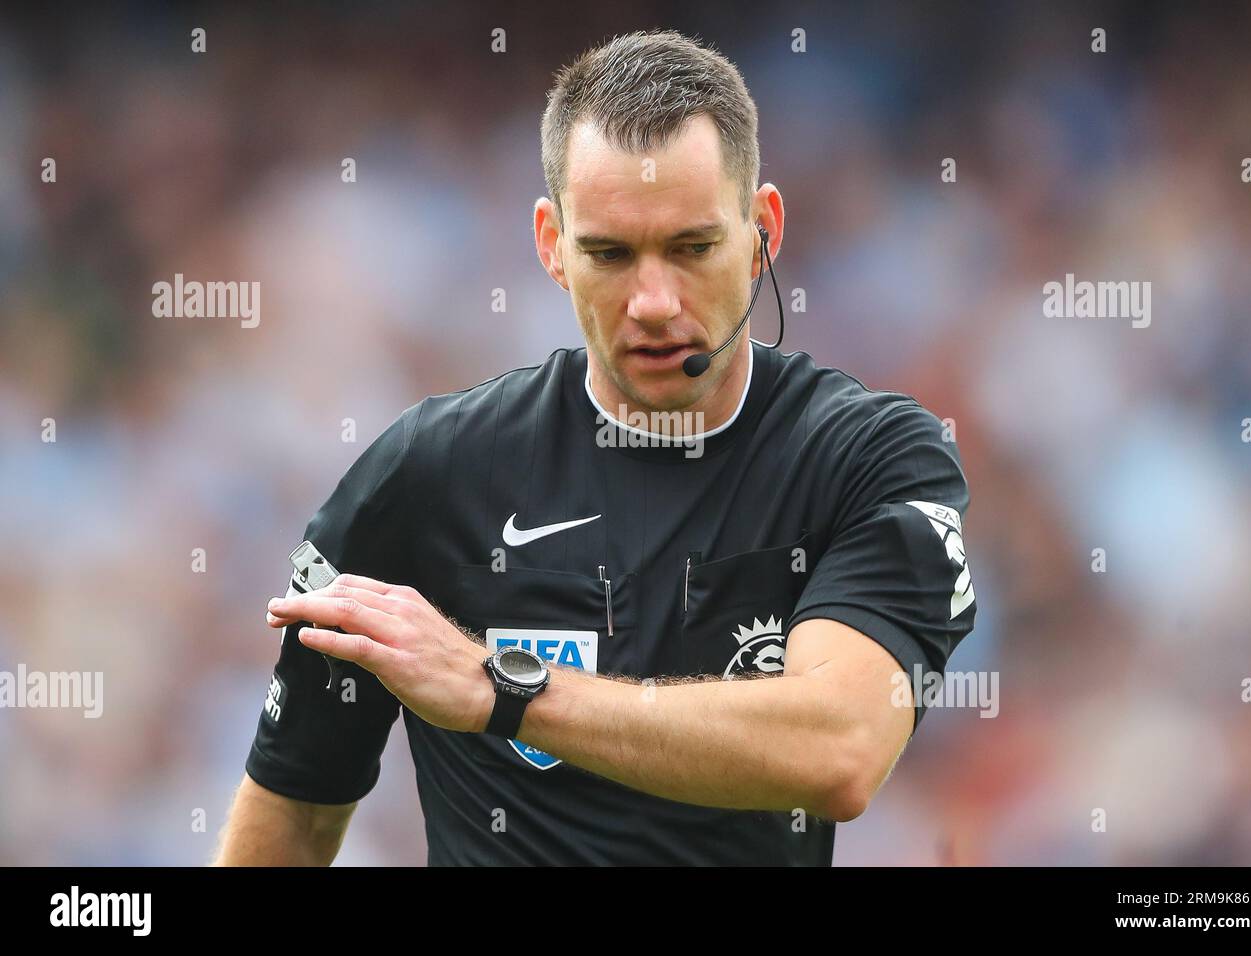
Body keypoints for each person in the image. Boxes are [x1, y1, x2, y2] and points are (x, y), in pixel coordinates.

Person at [213, 28, 976, 866]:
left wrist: (495, 686)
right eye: (609, 253)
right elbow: (296, 808)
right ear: (551, 246)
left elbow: (839, 751)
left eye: (692, 248)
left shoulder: (872, 463)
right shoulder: (427, 474)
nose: (652, 300)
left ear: (763, 230)